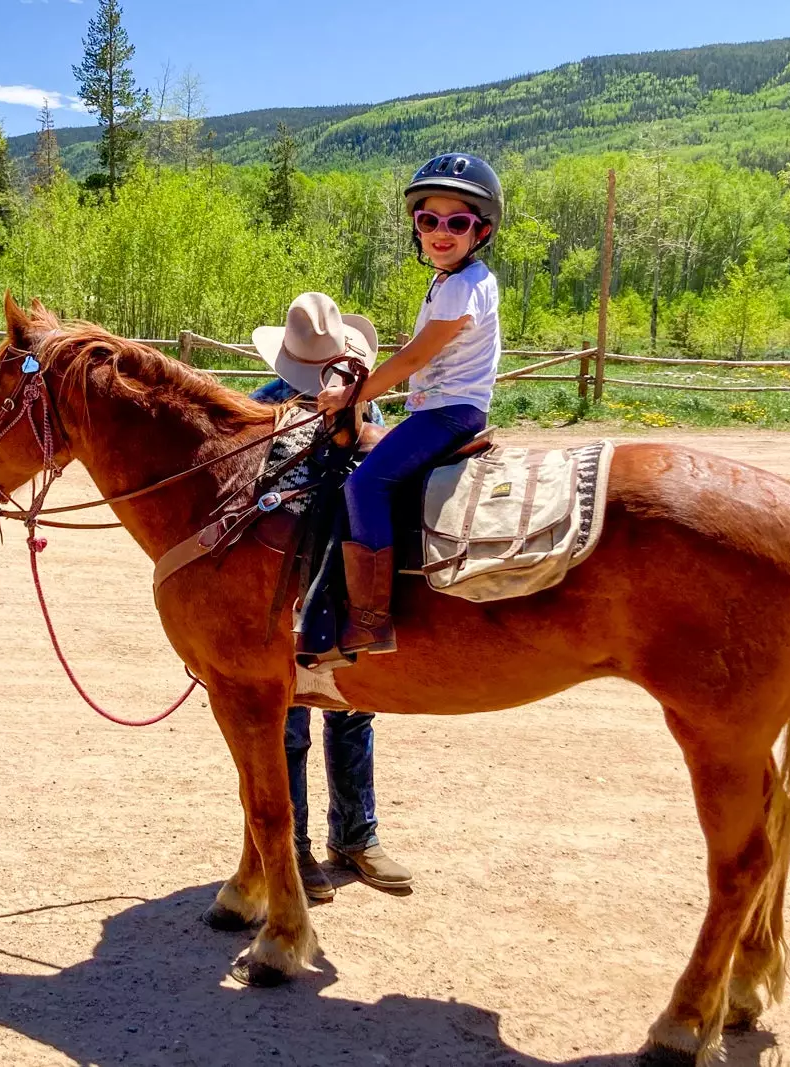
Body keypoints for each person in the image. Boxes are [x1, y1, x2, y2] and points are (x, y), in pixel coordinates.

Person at [249, 292, 414, 902]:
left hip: (341, 574)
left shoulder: (360, 402)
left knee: (353, 708)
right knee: (289, 717)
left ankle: (356, 835)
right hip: (288, 584)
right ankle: (293, 848)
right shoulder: (261, 415)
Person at [316, 153, 505, 656]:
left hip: (448, 413)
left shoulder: (461, 286)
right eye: (429, 221)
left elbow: (416, 356)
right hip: (442, 408)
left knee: (363, 485)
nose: (441, 232)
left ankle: (371, 618)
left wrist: (352, 394)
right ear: (416, 228)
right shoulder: (453, 280)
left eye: (457, 222)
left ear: (480, 231)